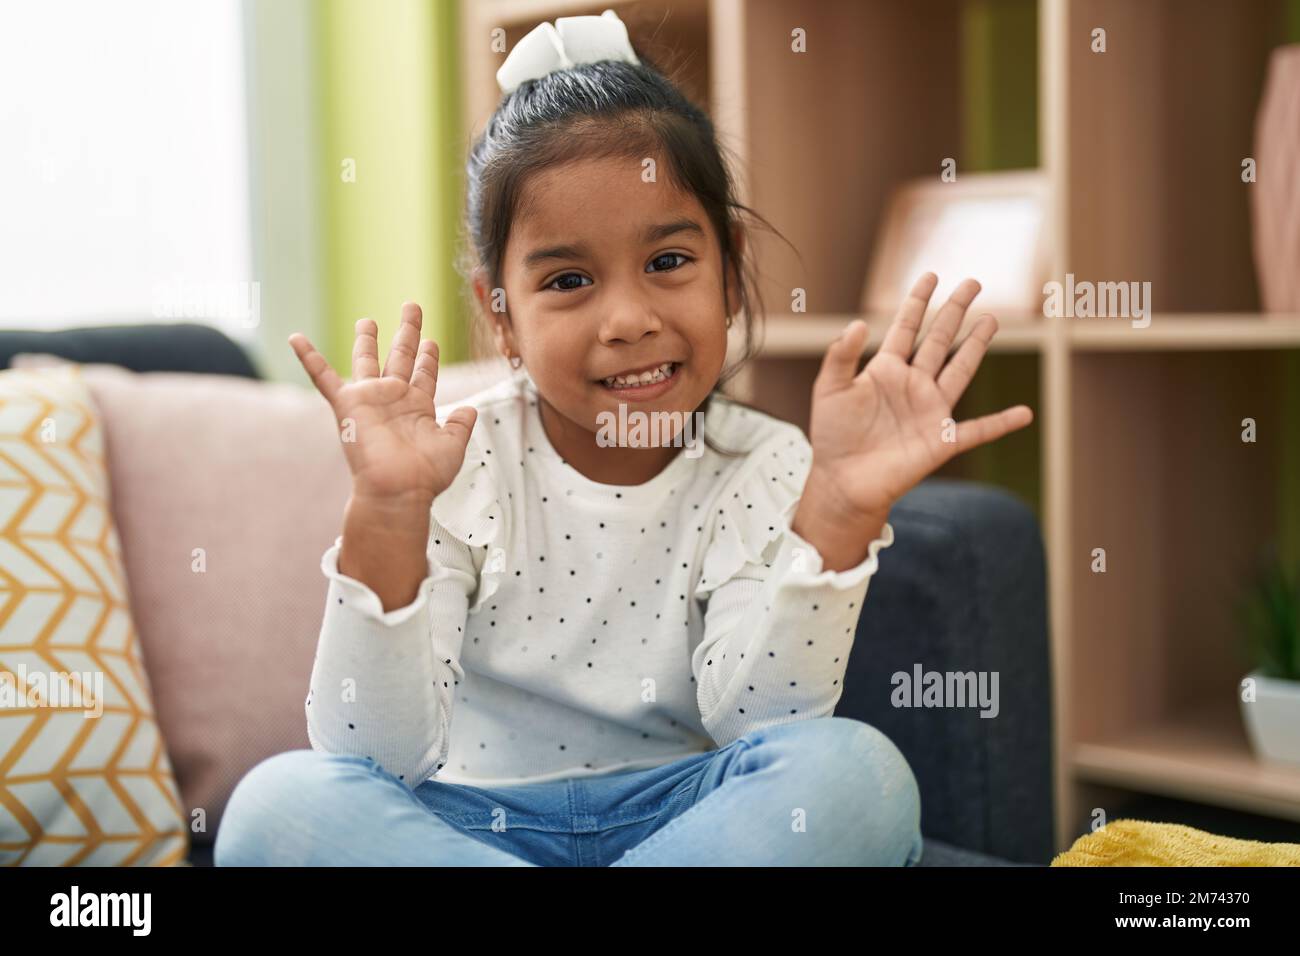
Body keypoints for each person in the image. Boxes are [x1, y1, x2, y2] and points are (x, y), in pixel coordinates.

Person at [214, 9, 1032, 867]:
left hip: (686, 822)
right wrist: (388, 510)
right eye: (569, 280)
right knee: (279, 806)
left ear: (728, 264)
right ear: (502, 317)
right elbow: (373, 755)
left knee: (859, 772)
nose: (630, 320)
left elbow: (761, 723)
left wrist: (833, 514)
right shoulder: (461, 463)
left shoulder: (768, 465)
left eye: (669, 262)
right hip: (476, 826)